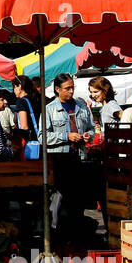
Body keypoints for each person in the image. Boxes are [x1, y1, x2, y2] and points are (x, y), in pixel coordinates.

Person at [44, 74, 96, 246]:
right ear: (57, 90)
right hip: (60, 160)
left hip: (80, 158)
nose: (72, 91)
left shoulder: (81, 107)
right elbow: (42, 137)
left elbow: (91, 128)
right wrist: (66, 136)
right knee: (61, 200)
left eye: (72, 87)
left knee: (78, 201)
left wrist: (89, 135)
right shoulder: (50, 109)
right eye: (67, 88)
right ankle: (59, 236)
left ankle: (76, 238)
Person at [10, 75, 42, 152]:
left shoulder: (21, 102)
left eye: (14, 87)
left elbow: (24, 127)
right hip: (40, 139)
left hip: (30, 143)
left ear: (20, 86)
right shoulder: (36, 99)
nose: (13, 90)